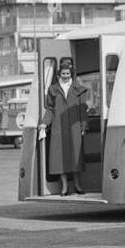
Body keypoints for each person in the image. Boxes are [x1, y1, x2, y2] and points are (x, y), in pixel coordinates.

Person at [39, 58, 89, 194]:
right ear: (58, 75)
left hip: (74, 126)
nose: (66, 76)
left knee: (76, 157)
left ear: (71, 74)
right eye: (63, 74)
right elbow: (50, 109)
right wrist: (44, 123)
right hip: (58, 128)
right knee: (60, 158)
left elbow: (82, 109)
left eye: (68, 74)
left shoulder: (79, 90)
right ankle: (65, 187)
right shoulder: (53, 90)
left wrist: (83, 126)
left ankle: (78, 185)